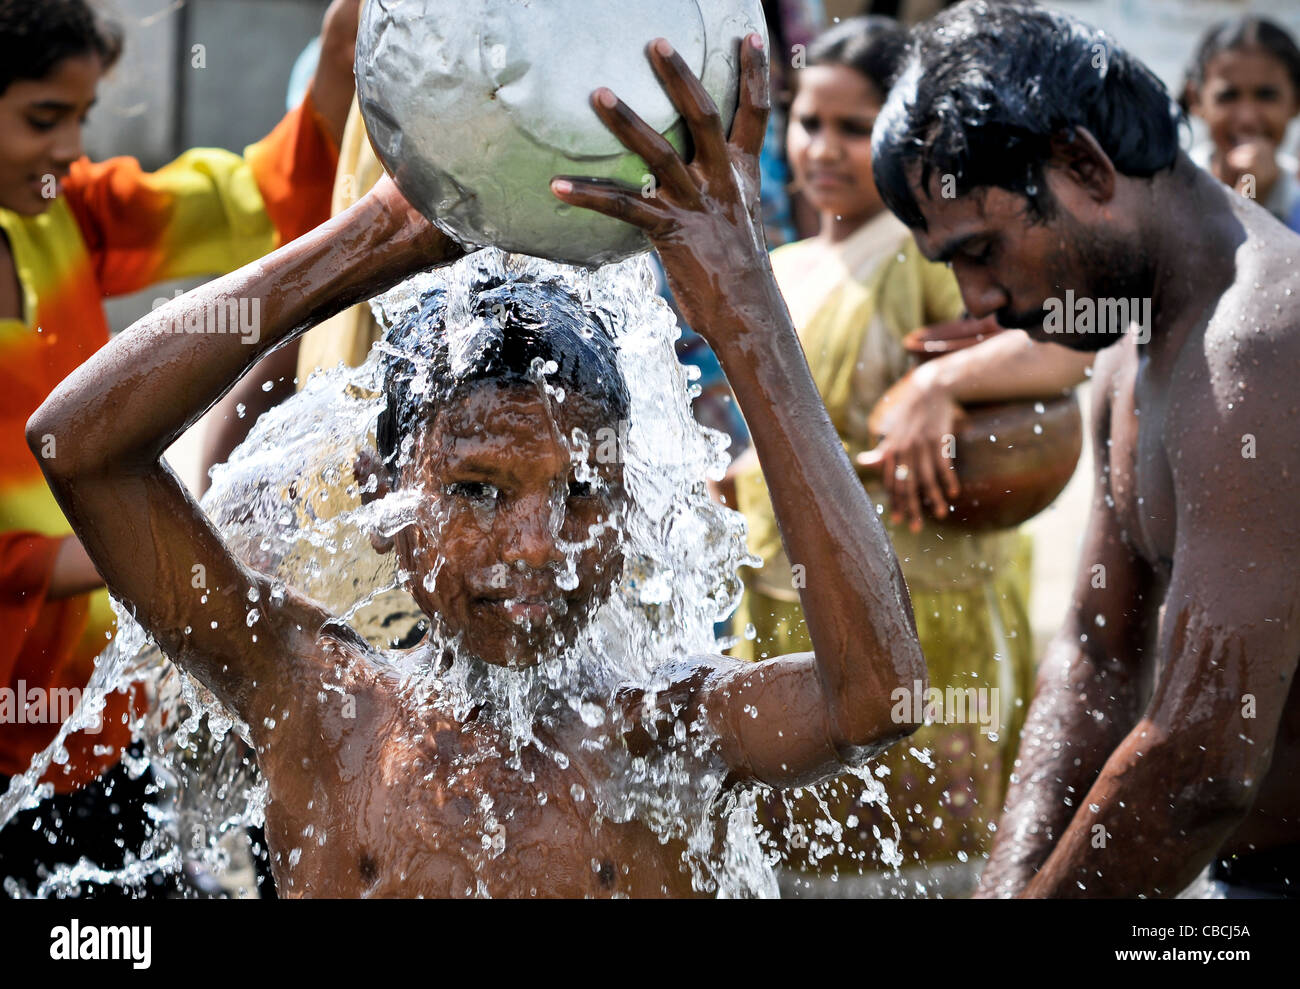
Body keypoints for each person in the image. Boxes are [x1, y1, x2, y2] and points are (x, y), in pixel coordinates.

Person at [30, 35, 929, 897]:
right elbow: (80, 447)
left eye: (583, 492)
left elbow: (877, 697)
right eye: (476, 490)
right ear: (382, 492)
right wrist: (372, 241)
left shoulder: (669, 731)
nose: (536, 548)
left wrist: (744, 308)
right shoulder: (313, 697)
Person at [872, 0, 1300, 898]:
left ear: (1083, 165)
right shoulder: (1127, 341)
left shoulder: (1262, 340)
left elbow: (1204, 756)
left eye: (983, 250)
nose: (978, 296)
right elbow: (1098, 656)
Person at [721, 16, 1090, 896]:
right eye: (808, 122)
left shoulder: (923, 249)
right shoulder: (794, 262)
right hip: (782, 612)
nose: (824, 147)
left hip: (923, 621)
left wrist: (940, 385)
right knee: (791, 864)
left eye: (856, 127)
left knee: (917, 870)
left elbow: (1066, 346)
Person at [0, 0, 354, 894]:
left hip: (93, 726)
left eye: (81, 118)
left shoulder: (59, 219)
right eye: (45, 118)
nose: (70, 149)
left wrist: (344, 45)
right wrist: (162, 548)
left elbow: (249, 200)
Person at [1181, 16, 1300, 234]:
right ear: (1196, 99)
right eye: (1228, 96)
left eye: (1266, 95)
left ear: (1295, 101)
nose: (1247, 118)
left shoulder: (1295, 197)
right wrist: (1250, 196)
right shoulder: (1174, 192)